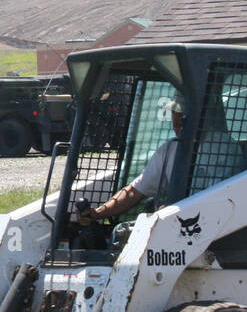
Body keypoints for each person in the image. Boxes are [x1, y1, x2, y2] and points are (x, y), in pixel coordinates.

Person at [76, 92, 184, 224]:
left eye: (183, 114)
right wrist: (97, 214)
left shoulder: (214, 146)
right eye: (175, 112)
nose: (178, 120)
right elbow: (134, 192)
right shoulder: (169, 150)